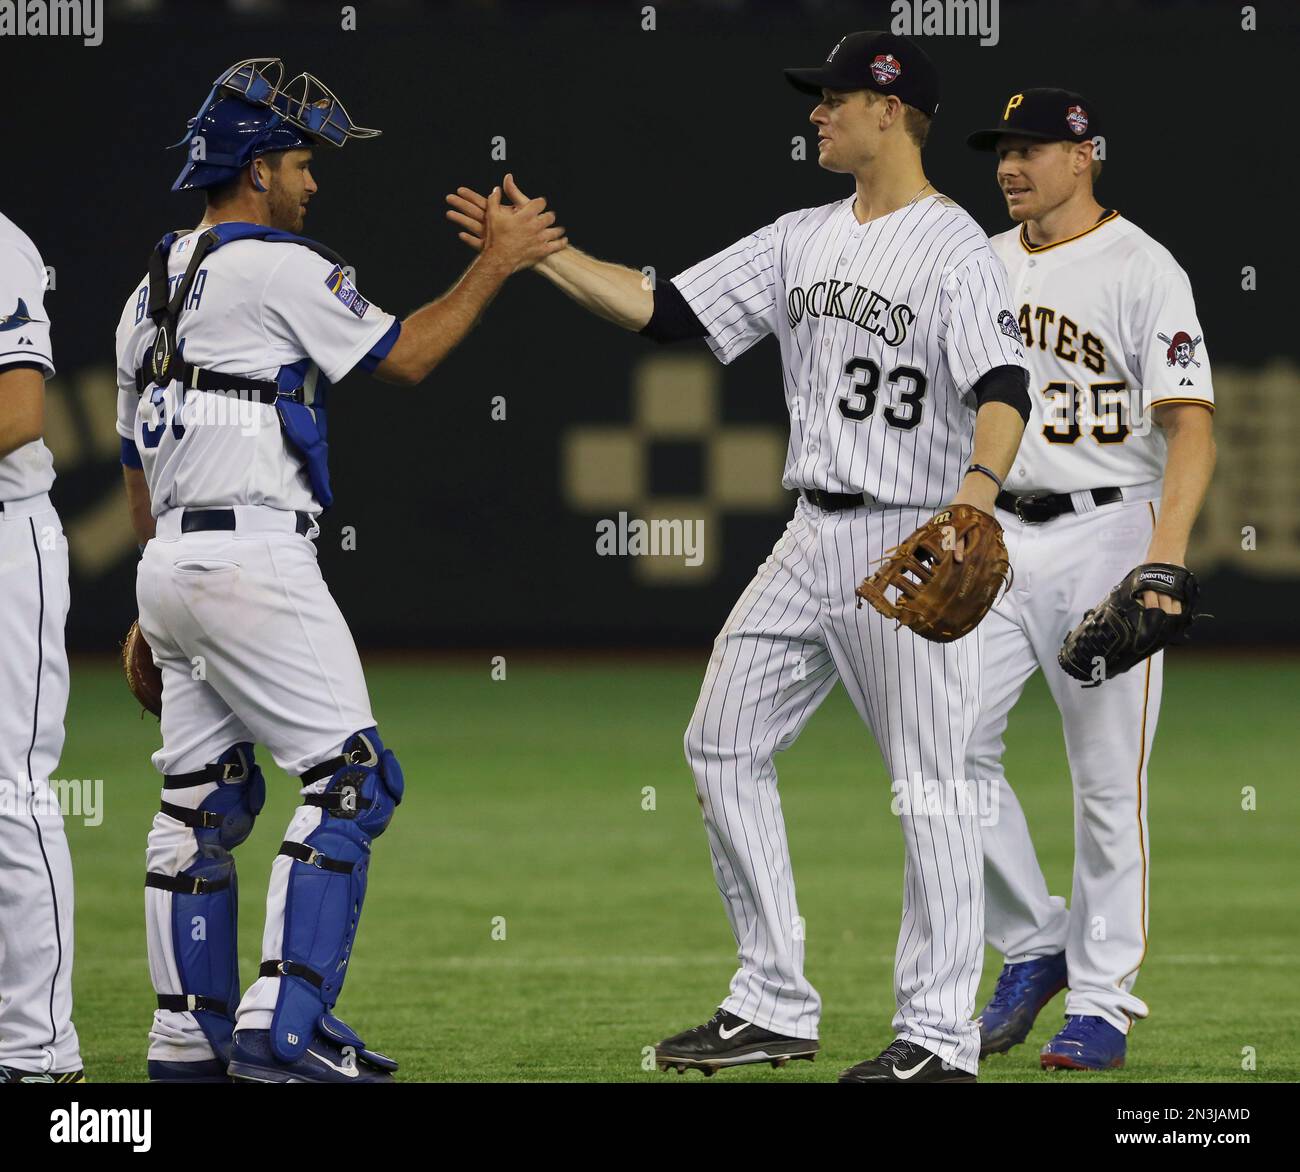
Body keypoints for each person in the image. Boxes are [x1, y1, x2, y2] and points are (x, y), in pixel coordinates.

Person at [447, 32, 1031, 1083]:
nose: (816, 113)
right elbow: (666, 311)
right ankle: (771, 1000)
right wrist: (542, 256)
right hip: (811, 531)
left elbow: (1003, 385)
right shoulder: (798, 234)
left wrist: (973, 501)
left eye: (833, 99)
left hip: (913, 529)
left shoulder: (954, 247)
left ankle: (939, 1037)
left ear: (889, 112)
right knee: (720, 738)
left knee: (932, 787)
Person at [115, 58, 565, 1082]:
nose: (312, 182)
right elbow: (407, 356)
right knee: (352, 777)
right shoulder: (279, 266)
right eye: (299, 160)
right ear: (257, 167)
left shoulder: (143, 292)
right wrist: (496, 263)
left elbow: (138, 460)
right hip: (251, 553)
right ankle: (286, 1020)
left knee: (199, 804)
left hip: (171, 559)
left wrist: (154, 604)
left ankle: (186, 1034)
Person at [963, 89, 1215, 1070]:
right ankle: (1034, 941)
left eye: (1032, 149)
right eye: (1001, 150)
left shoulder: (1142, 267)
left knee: (1106, 781)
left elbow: (1187, 423)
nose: (1010, 165)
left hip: (1108, 529)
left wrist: (1164, 555)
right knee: (934, 751)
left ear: (1086, 157)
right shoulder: (976, 263)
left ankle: (1102, 1001)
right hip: (996, 538)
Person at [0, 210, 83, 1084]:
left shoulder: (0, 245)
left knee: (9, 792)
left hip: (6, 539)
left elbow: (19, 411)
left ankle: (38, 1056)